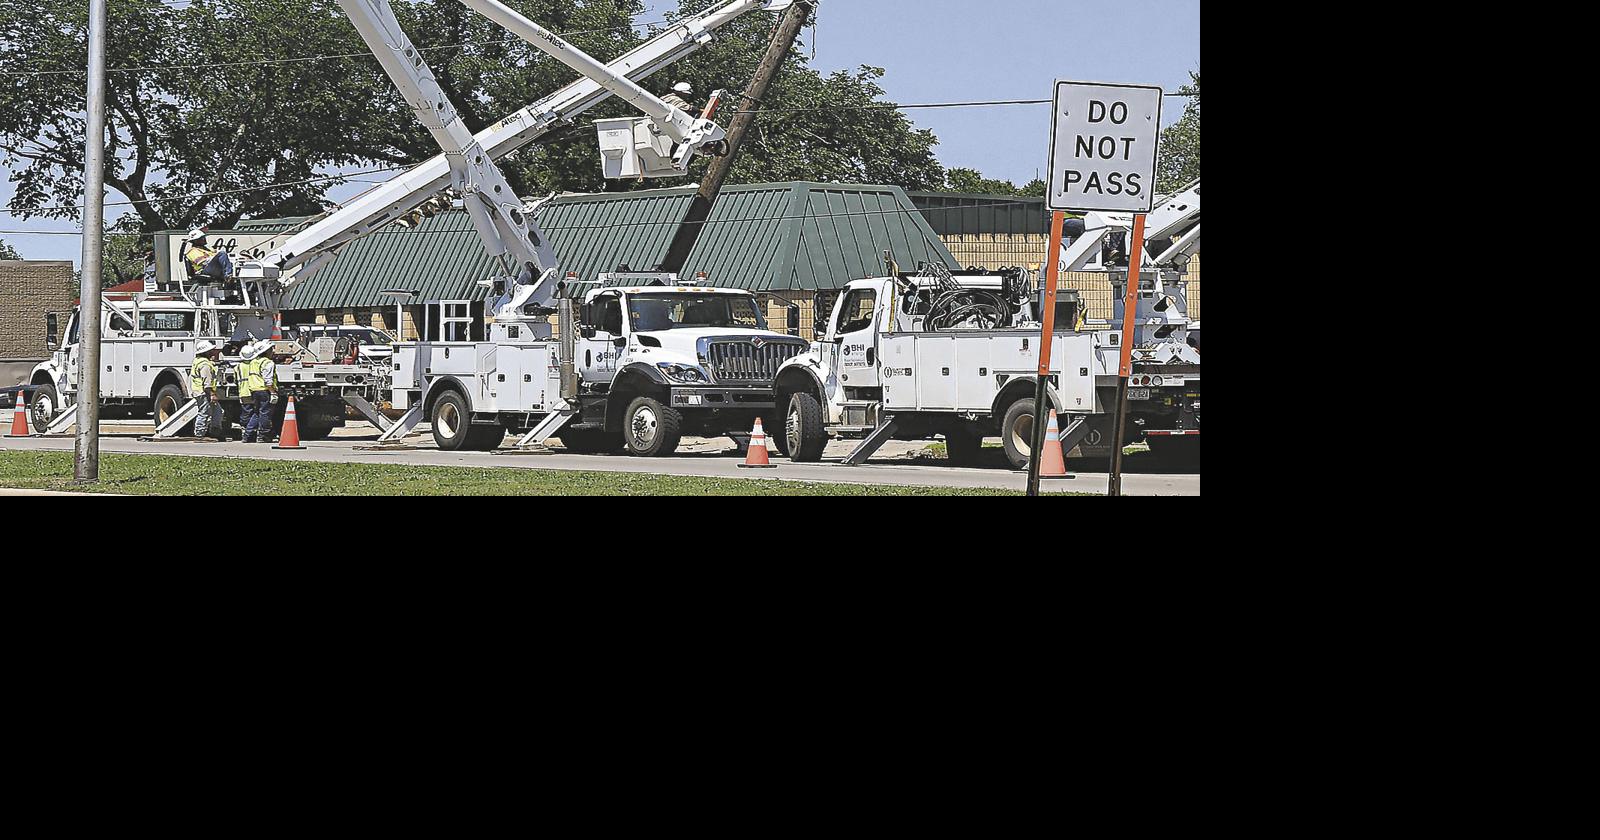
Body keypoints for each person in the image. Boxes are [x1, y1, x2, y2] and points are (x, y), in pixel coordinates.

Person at [238, 340, 275, 443]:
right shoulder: (268, 363)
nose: (273, 352)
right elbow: (268, 380)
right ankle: (263, 435)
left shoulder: (253, 362)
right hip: (264, 390)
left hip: (254, 390)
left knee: (257, 413)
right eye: (271, 350)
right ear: (266, 351)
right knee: (265, 413)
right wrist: (273, 392)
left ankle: (247, 435)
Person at [189, 341, 223, 439]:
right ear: (206, 352)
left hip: (199, 391)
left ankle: (215, 432)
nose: (212, 352)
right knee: (204, 412)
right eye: (210, 350)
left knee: (218, 411)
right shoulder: (205, 365)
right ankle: (199, 434)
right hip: (204, 392)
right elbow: (207, 382)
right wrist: (212, 394)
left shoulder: (198, 361)